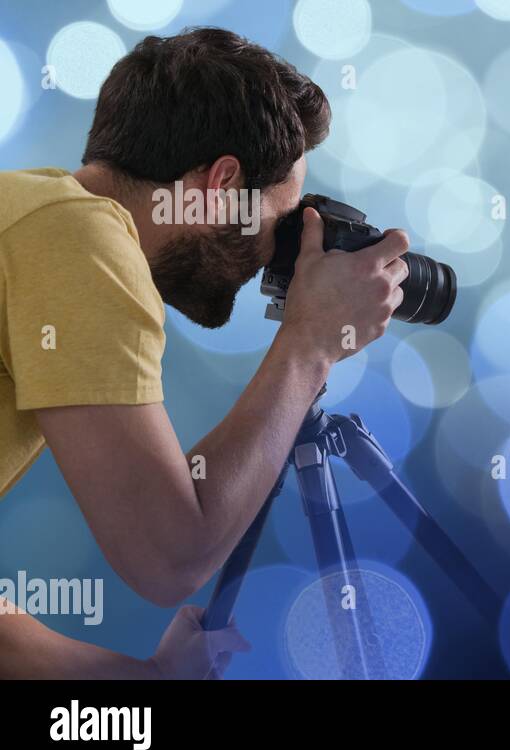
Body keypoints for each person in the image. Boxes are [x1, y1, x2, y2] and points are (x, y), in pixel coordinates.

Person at [0, 27, 409, 678]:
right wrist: (311, 344)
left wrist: (151, 680)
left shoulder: (28, 213)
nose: (263, 262)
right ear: (221, 183)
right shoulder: (81, 242)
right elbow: (169, 559)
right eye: (276, 225)